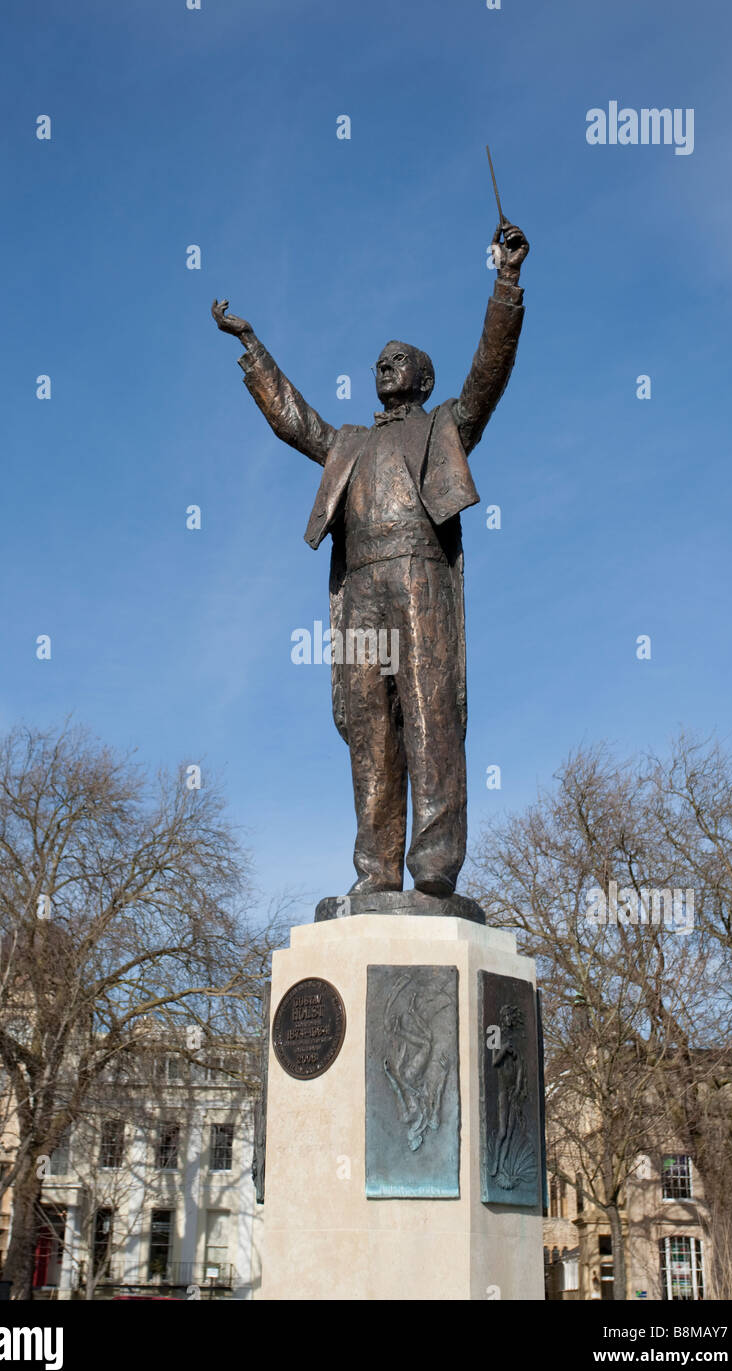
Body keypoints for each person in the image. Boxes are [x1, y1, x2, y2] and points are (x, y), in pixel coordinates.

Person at [212, 218, 528, 897]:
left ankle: (435, 861)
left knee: (429, 714)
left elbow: (488, 374)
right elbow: (293, 420)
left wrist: (506, 282)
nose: (382, 366)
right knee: (369, 729)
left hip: (420, 576)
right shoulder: (349, 442)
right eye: (378, 361)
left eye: (396, 360)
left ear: (421, 376)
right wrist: (252, 346)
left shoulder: (445, 425)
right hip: (361, 588)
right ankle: (376, 870)